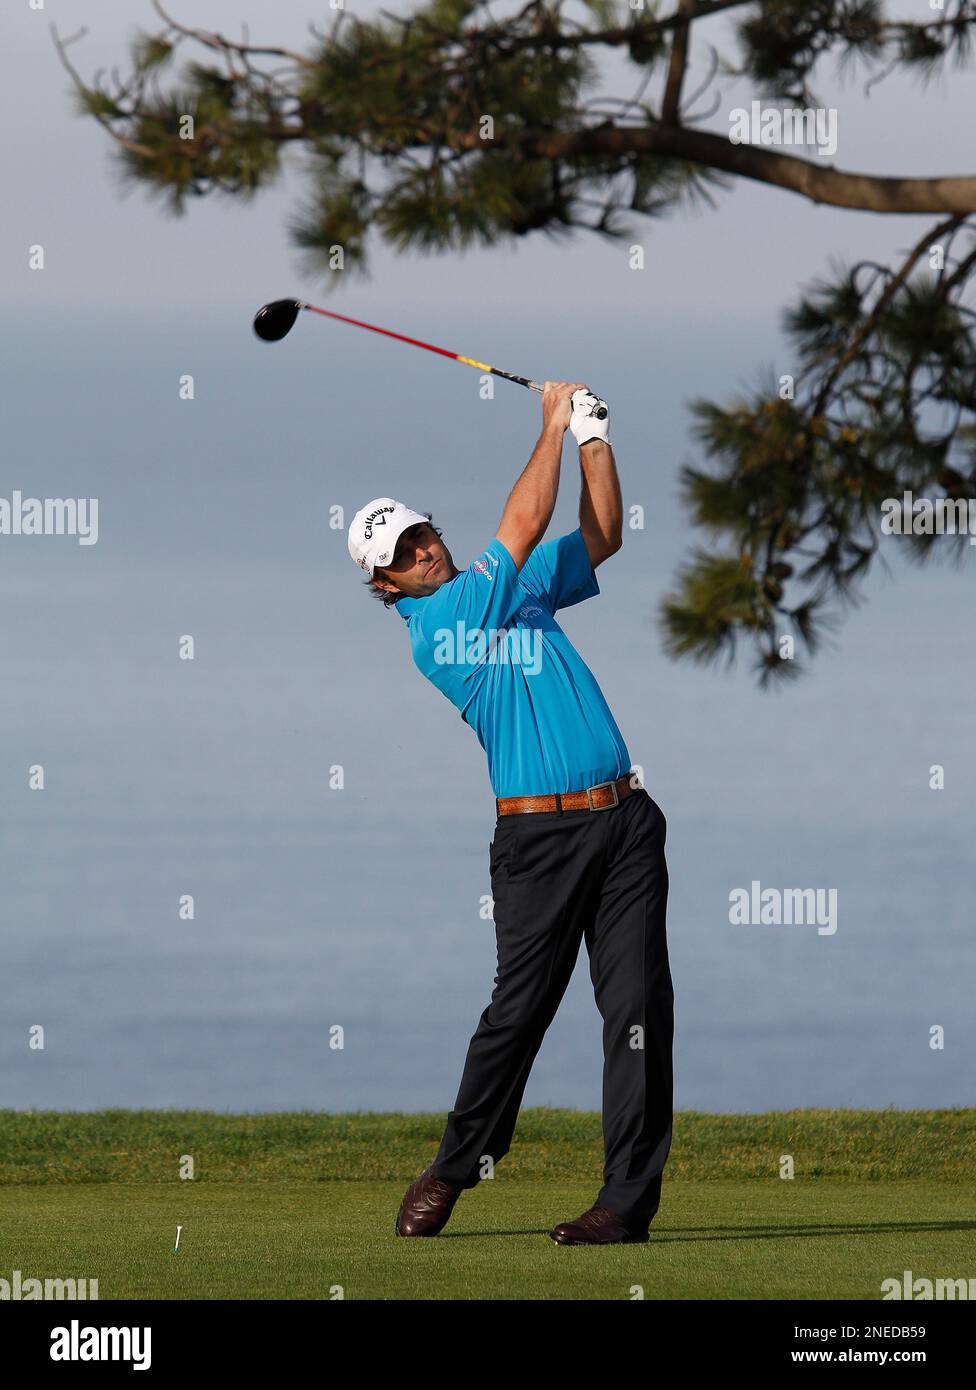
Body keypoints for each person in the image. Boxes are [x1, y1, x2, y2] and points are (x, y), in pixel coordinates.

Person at [347, 382, 674, 1245]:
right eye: (402, 550)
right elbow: (523, 523)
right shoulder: (440, 624)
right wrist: (552, 424)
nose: (421, 549)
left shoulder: (516, 590)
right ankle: (456, 1166)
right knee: (519, 1013)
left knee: (637, 1013)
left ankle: (625, 1205)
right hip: (539, 840)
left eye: (421, 532)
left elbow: (602, 537)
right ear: (386, 583)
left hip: (626, 819)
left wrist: (596, 439)